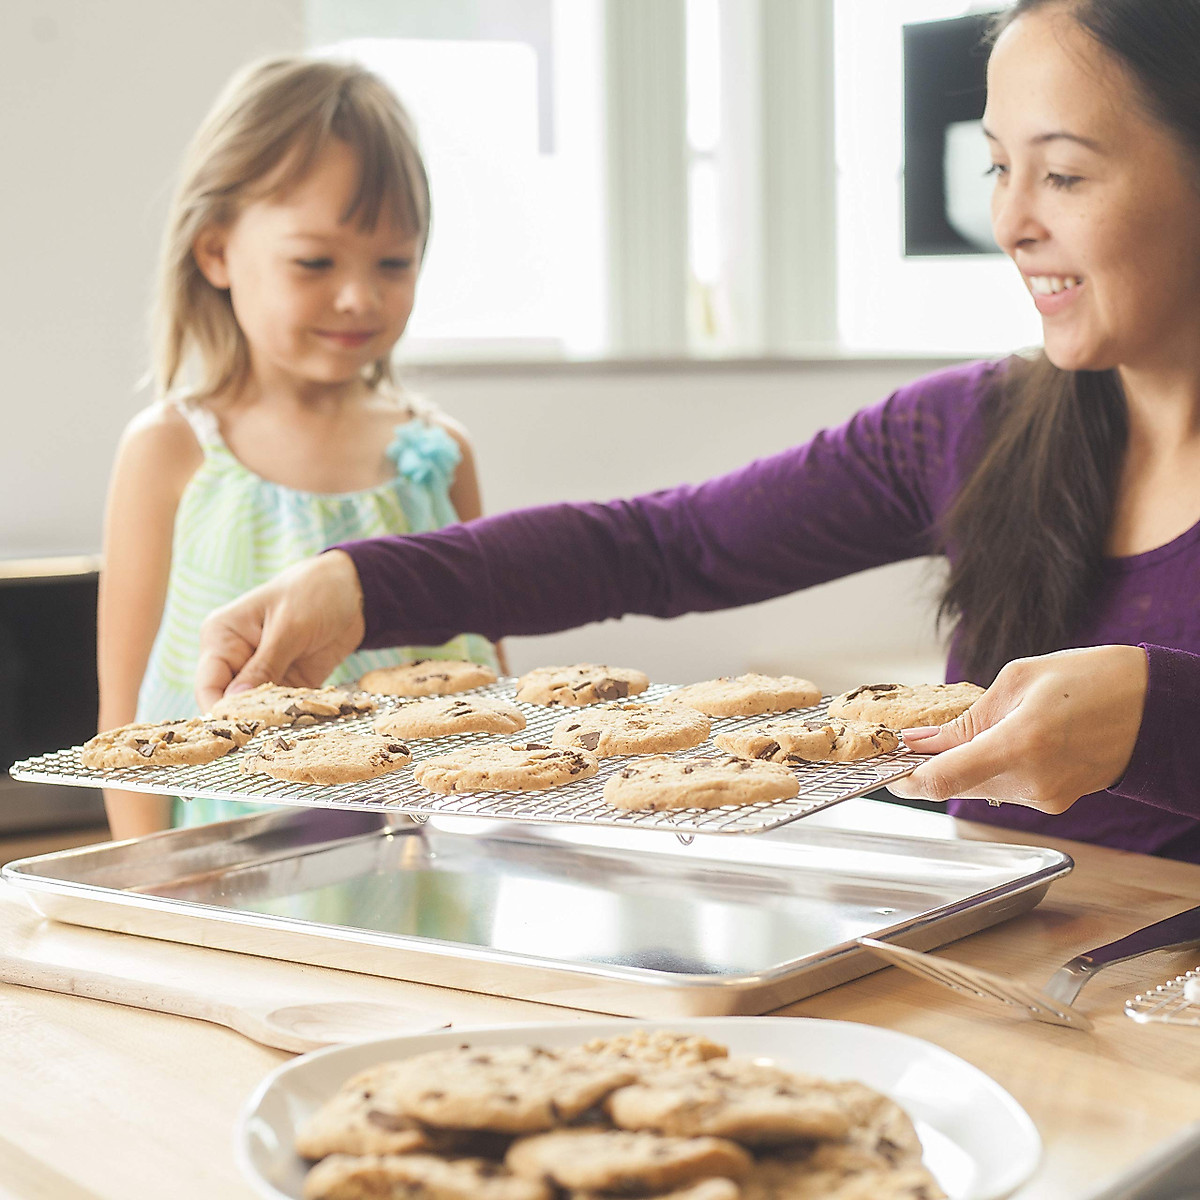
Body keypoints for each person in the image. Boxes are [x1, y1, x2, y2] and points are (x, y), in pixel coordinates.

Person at [197, 0, 1200, 862]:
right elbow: (667, 545)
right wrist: (367, 583)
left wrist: (1162, 717)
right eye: (994, 168)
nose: (1011, 220)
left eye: (1062, 175)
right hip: (995, 983)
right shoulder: (968, 430)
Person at [97, 58, 501, 840]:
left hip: (429, 874)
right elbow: (124, 724)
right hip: (230, 875)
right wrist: (143, 894)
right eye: (315, 262)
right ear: (215, 252)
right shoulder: (171, 452)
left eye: (394, 262)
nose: (359, 296)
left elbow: (496, 688)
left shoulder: (439, 452)